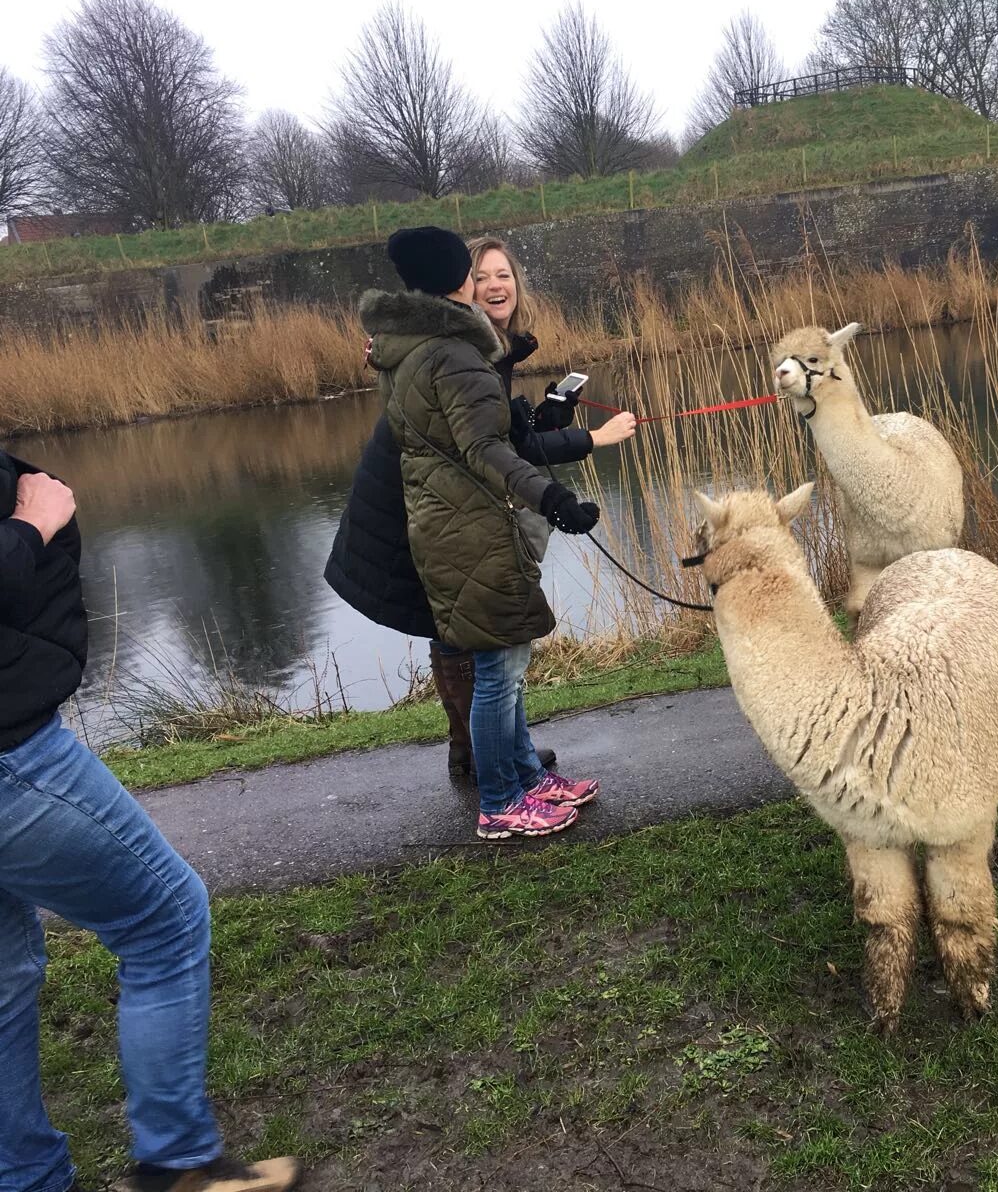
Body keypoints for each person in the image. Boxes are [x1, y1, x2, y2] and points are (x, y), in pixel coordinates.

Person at [0, 450, 300, 1192]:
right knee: (164, 918)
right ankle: (180, 1166)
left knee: (2, 978)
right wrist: (30, 527)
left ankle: (28, 1180)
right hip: (10, 754)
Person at [323, 237, 635, 789]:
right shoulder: (452, 350)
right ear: (460, 283)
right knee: (473, 646)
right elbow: (488, 450)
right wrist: (585, 446)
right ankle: (486, 770)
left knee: (477, 646)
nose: (494, 285)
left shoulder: (461, 345)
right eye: (480, 274)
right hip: (421, 514)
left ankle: (503, 764)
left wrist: (546, 418)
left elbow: (496, 436)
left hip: (445, 504)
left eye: (504, 275)